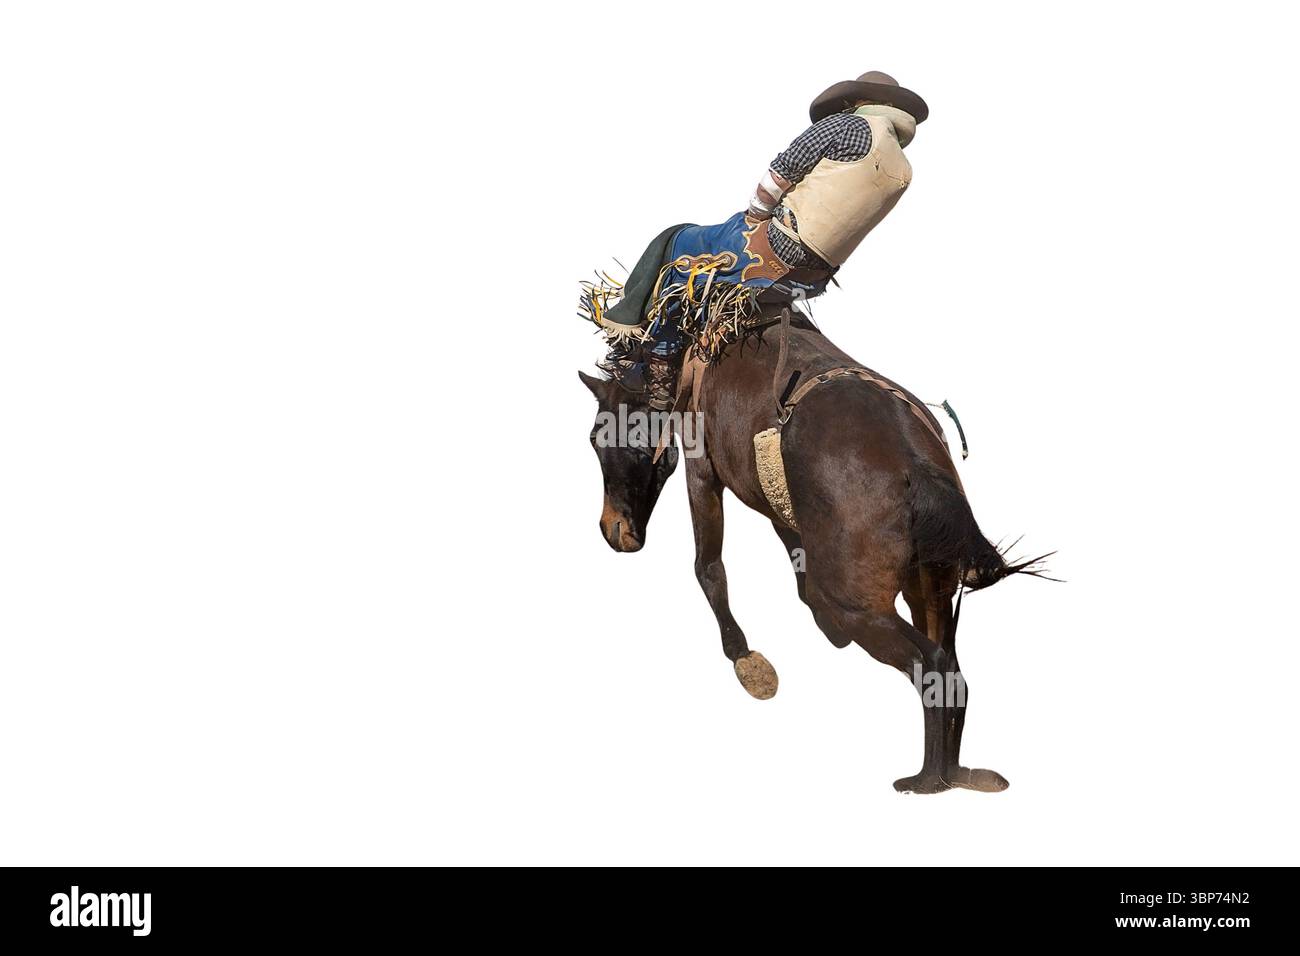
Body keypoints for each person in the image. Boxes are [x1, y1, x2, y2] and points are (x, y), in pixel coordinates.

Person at [579, 71, 928, 410]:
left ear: (861, 101)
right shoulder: (902, 163)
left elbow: (782, 172)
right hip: (814, 277)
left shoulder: (844, 125)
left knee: (677, 243)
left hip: (774, 247)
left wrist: (756, 215)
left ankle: (658, 366)